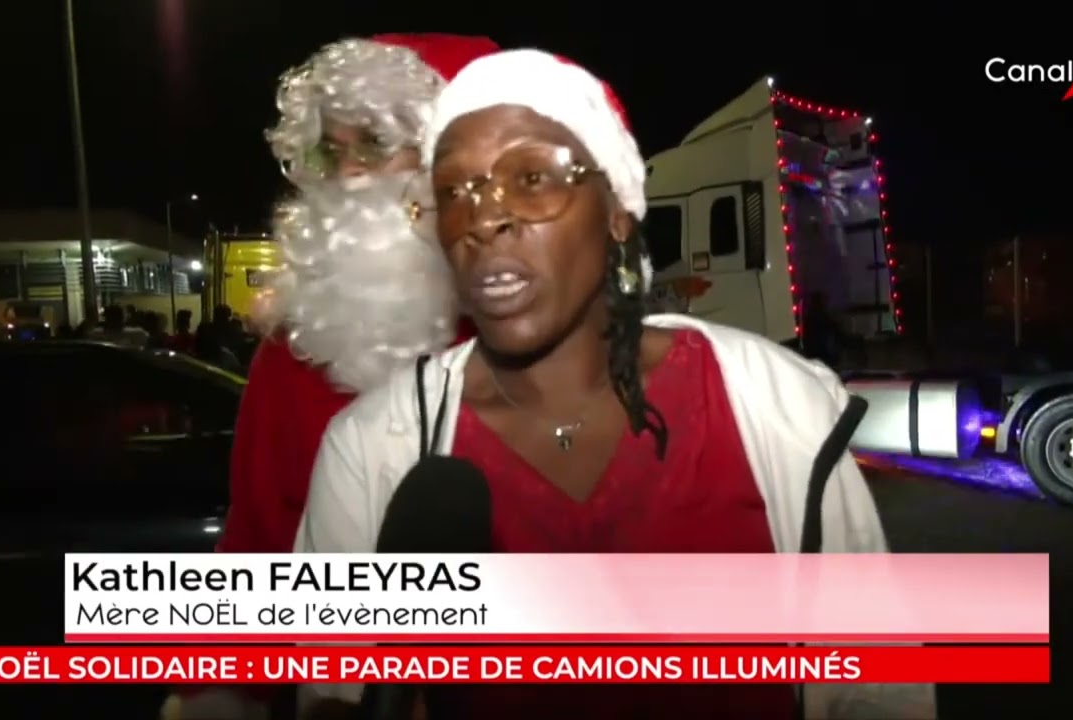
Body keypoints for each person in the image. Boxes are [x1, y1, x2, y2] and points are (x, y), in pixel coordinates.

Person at [296, 50, 937, 719]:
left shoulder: (777, 408)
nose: (483, 219)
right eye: (455, 191)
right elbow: (330, 689)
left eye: (532, 177)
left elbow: (876, 689)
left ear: (617, 212)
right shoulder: (372, 452)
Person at [162, 33, 499, 720]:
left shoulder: (542, 339)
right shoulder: (292, 358)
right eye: (327, 150)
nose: (347, 173)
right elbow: (255, 550)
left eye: (374, 143)